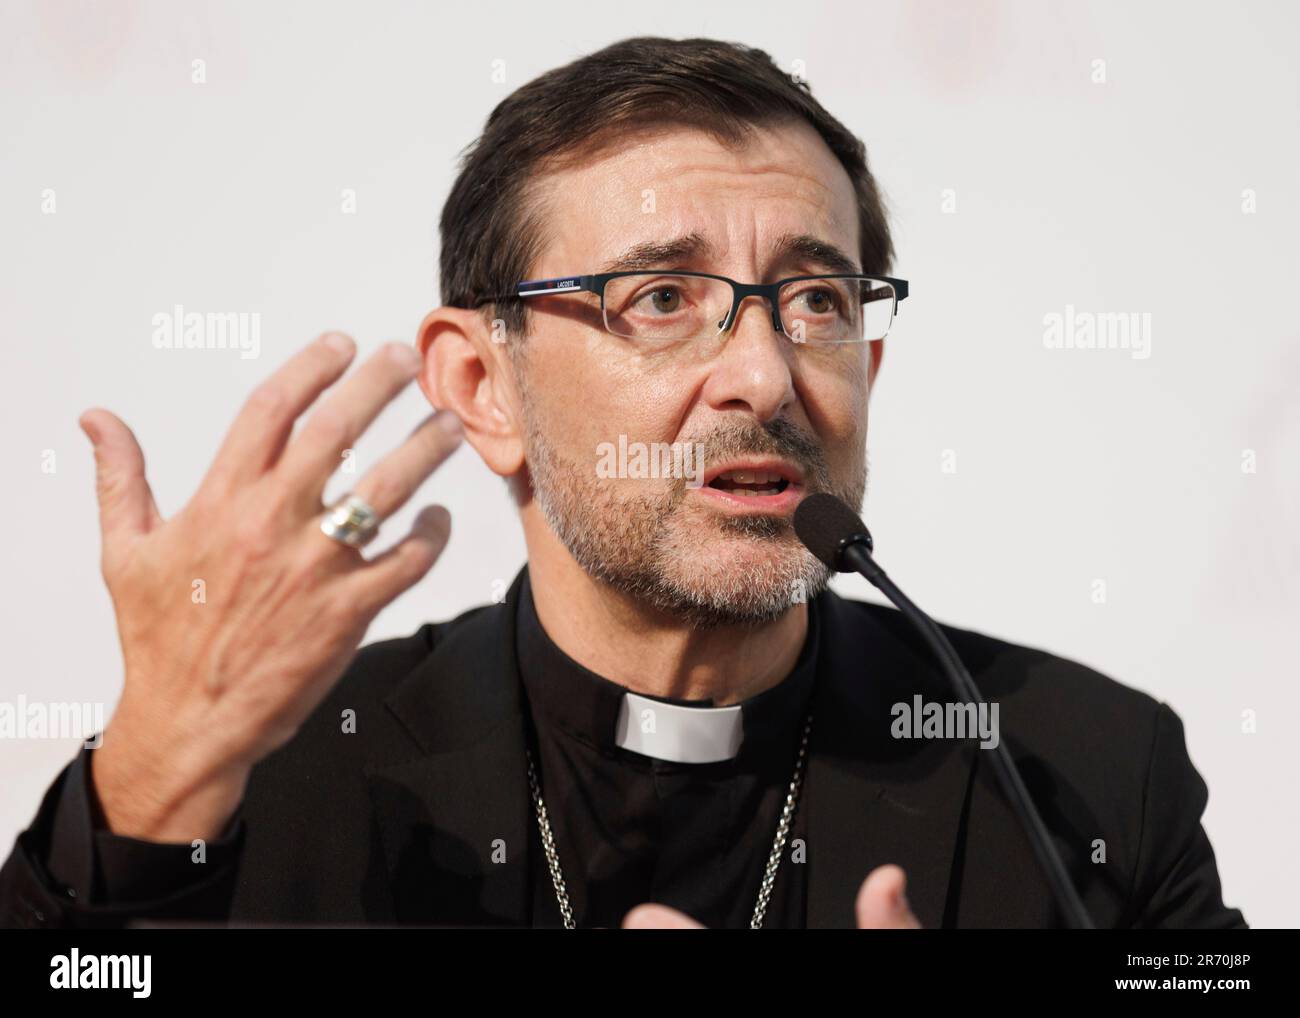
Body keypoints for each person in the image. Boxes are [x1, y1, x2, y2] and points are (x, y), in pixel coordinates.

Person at [0, 36, 1244, 930]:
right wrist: (154, 779)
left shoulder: (1081, 771)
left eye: (814, 301)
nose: (762, 373)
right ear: (486, 387)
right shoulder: (275, 773)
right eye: (660, 298)